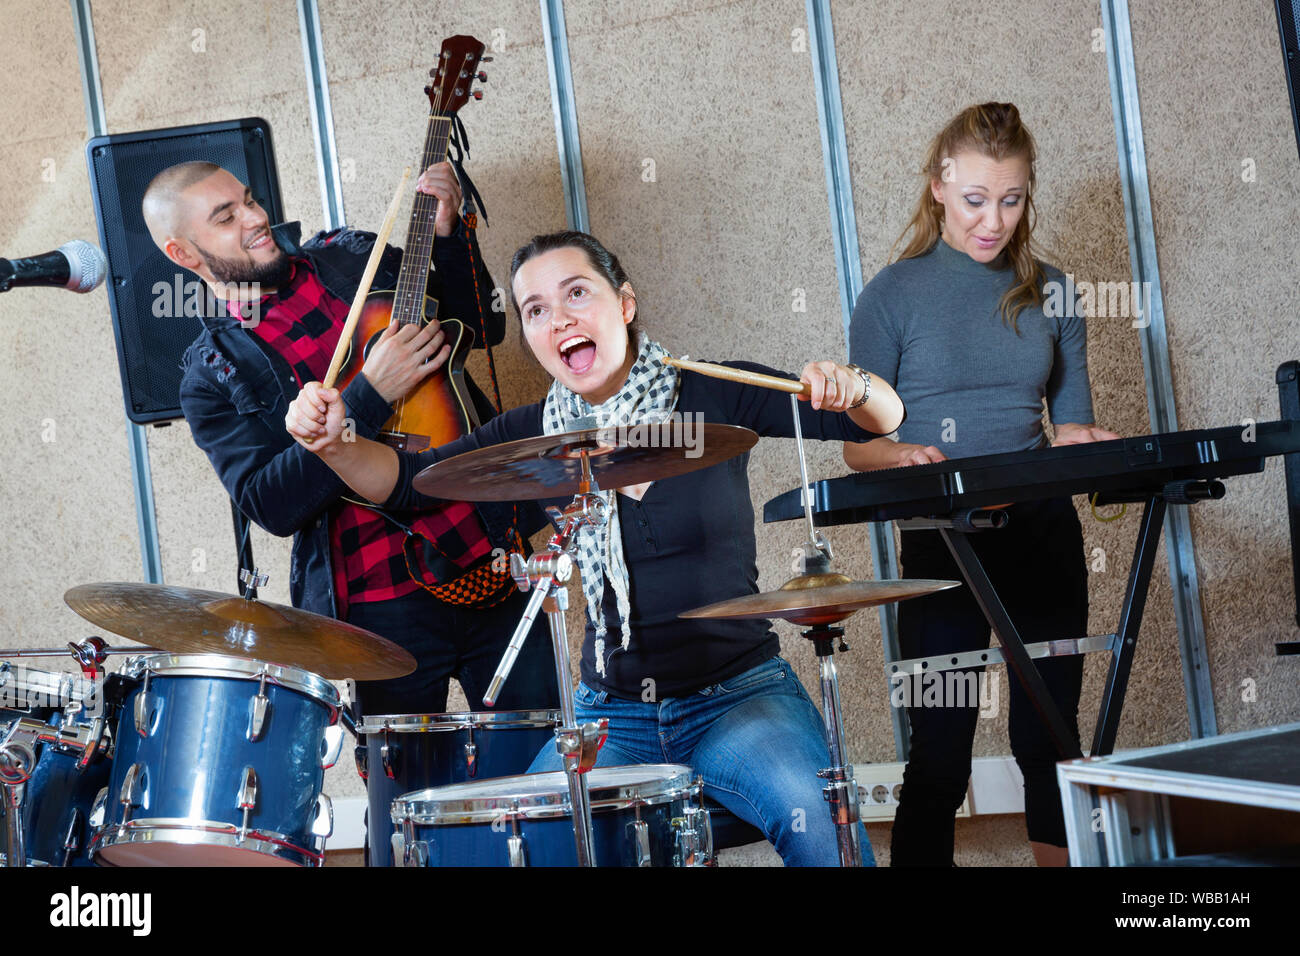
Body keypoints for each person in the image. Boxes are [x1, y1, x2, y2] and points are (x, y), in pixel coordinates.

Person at [285, 230, 906, 866]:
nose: (560, 320)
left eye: (577, 293)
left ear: (625, 303)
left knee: (822, 828)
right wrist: (334, 444)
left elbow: (883, 418)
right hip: (611, 717)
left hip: (739, 696)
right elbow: (404, 483)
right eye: (535, 310)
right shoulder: (534, 437)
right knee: (519, 849)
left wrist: (851, 385)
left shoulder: (712, 392)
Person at [141, 160, 559, 720]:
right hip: (377, 613)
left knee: (541, 766)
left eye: (249, 199)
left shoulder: (351, 257)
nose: (257, 218)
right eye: (226, 217)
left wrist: (447, 235)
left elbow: (485, 322)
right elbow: (272, 504)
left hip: (489, 555)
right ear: (183, 254)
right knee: (408, 793)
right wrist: (371, 393)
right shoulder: (213, 372)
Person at [845, 102, 1119, 867]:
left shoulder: (1054, 292)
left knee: (1051, 741)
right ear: (939, 188)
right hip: (942, 547)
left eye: (1012, 198)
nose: (993, 220)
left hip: (1041, 534)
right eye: (974, 200)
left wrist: (1083, 441)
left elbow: (1067, 427)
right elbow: (855, 451)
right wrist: (896, 456)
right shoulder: (892, 296)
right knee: (941, 754)